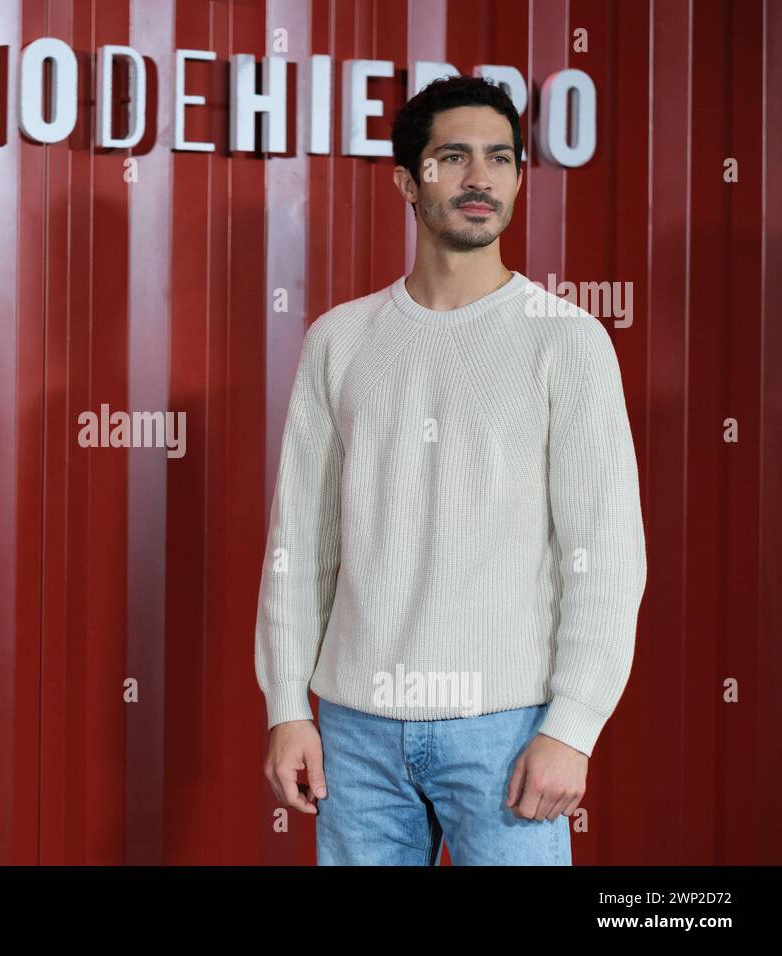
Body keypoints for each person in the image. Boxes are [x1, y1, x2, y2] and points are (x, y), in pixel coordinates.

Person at [254, 74, 647, 865]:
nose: (480, 179)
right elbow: (300, 544)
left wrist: (572, 726)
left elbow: (605, 556)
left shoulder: (565, 342)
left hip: (507, 731)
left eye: (500, 158)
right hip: (356, 737)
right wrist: (286, 706)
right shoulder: (340, 339)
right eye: (454, 158)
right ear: (408, 181)